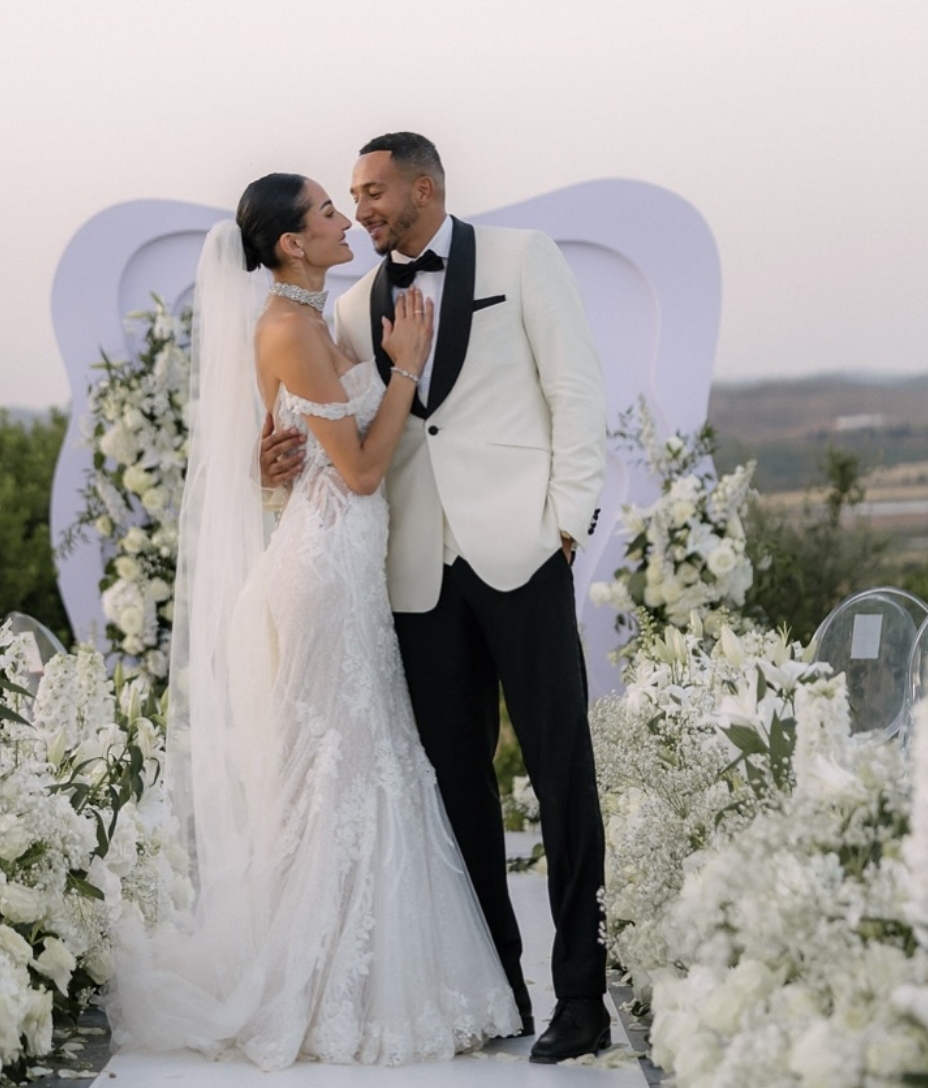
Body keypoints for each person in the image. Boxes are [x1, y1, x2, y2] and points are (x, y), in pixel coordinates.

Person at [104, 174, 520, 1071]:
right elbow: (364, 472)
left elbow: (283, 449)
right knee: (347, 768)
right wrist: (407, 365)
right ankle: (331, 987)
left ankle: (354, 975)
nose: (343, 221)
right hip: (325, 572)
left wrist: (268, 460)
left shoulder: (312, 321)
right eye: (328, 211)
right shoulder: (291, 329)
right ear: (292, 243)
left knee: (361, 765)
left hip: (341, 565)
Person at [326, 132, 609, 1064]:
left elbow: (574, 391)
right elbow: (352, 427)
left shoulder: (526, 258)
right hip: (416, 571)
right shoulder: (354, 302)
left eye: (372, 191)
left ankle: (582, 999)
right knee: (457, 787)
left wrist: (566, 522)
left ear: (425, 185)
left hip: (521, 550)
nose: (360, 206)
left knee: (561, 771)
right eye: (352, 195)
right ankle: (500, 989)